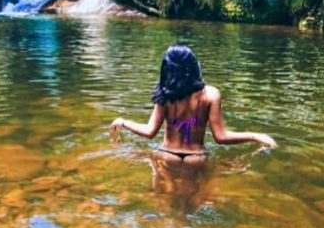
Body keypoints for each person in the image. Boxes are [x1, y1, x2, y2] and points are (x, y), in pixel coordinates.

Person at [109, 43, 277, 162]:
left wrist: (123, 122)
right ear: (194, 67)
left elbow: (150, 131)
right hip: (196, 157)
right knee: (197, 202)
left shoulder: (165, 93)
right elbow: (221, 137)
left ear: (167, 69)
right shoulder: (211, 94)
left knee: (163, 202)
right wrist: (255, 136)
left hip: (166, 153)